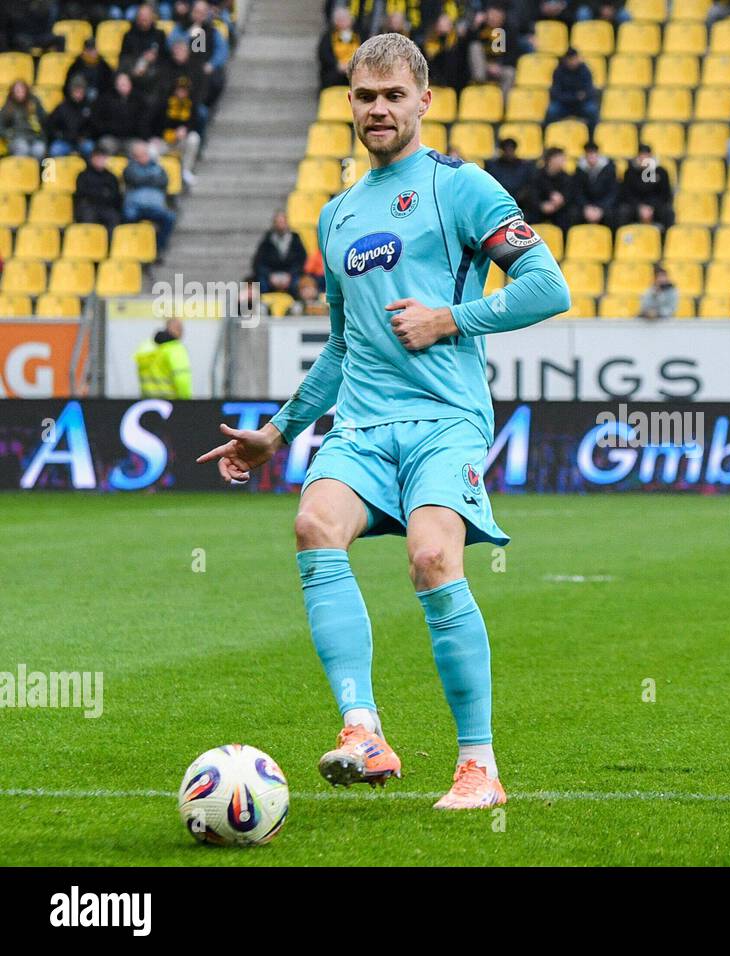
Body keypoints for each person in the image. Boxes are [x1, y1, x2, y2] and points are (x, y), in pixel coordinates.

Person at [197, 33, 570, 811]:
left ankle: (479, 767)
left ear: (424, 101)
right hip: (363, 426)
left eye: (394, 96)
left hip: (443, 418)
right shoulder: (336, 216)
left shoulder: (461, 187)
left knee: (432, 559)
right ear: (350, 104)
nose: (379, 109)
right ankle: (363, 730)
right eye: (366, 97)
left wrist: (449, 320)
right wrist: (278, 429)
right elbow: (341, 344)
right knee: (311, 525)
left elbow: (547, 285)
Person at [123, 140, 177, 253]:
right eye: (138, 155)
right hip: (135, 206)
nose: (142, 157)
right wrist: (151, 178)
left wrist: (144, 179)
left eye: (144, 154)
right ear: (134, 156)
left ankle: (158, 248)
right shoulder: (129, 168)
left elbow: (163, 182)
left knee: (170, 218)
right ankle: (132, 249)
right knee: (127, 218)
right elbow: (134, 179)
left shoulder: (159, 168)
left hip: (154, 207)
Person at [615, 143, 674, 230]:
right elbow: (626, 194)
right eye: (641, 156)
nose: (644, 159)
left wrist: (651, 207)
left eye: (646, 156)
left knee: (668, 213)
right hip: (635, 207)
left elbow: (665, 195)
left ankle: (666, 241)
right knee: (622, 212)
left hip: (656, 206)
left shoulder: (661, 172)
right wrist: (640, 208)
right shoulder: (630, 172)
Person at [253, 210, 308, 297]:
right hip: (271, 275)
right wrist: (270, 276)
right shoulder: (267, 240)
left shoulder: (295, 239)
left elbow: (301, 261)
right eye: (278, 222)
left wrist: (290, 275)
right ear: (274, 223)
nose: (280, 225)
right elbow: (258, 262)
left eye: (282, 222)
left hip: (291, 275)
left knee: (299, 284)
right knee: (260, 284)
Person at [135, 317, 193, 398]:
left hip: (148, 401)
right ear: (177, 329)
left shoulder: (146, 347)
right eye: (180, 328)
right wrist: (187, 401)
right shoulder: (175, 349)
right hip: (171, 403)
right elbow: (182, 378)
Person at [522, 146, 576, 230]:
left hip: (559, 210)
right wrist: (542, 205)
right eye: (560, 158)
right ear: (551, 159)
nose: (563, 161)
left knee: (568, 218)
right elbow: (531, 195)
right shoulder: (536, 175)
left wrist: (560, 201)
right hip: (539, 209)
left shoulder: (566, 177)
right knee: (529, 216)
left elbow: (569, 195)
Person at [545, 47, 599, 130]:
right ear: (566, 60)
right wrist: (576, 97)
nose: (573, 62)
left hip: (581, 104)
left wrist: (576, 97)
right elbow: (556, 93)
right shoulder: (558, 71)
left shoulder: (585, 71)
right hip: (564, 104)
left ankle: (592, 137)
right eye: (570, 59)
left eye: (575, 59)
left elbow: (589, 91)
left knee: (591, 110)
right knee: (552, 111)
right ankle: (549, 134)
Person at [73, 146, 124, 233]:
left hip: (106, 206)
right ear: (92, 158)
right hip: (89, 206)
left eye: (103, 157)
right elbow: (81, 193)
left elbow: (115, 194)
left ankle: (110, 245)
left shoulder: (111, 176)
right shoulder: (83, 175)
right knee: (88, 216)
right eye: (98, 157)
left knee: (114, 217)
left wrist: (99, 193)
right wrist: (102, 193)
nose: (100, 160)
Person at [47, 77, 97, 158]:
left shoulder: (88, 108)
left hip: (82, 142)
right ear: (71, 92)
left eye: (81, 92)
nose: (78, 94)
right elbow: (50, 125)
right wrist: (60, 135)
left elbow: (93, 126)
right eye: (76, 91)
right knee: (55, 150)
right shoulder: (62, 107)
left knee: (91, 148)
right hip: (64, 141)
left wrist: (85, 136)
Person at [573, 140, 617, 226]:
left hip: (603, 204)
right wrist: (586, 207)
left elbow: (613, 192)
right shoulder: (579, 170)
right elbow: (577, 192)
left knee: (613, 215)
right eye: (588, 155)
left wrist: (601, 208)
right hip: (587, 205)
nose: (591, 157)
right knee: (573, 214)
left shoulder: (609, 168)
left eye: (593, 154)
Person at [0, 80, 48, 159]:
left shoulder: (34, 103)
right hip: (17, 138)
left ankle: (36, 170)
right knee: (23, 148)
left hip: (35, 137)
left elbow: (45, 120)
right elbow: (1, 126)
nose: (20, 93)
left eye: (22, 90)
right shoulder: (8, 107)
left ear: (27, 91)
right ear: (12, 92)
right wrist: (9, 134)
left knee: (39, 149)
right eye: (17, 91)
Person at [319, 5, 361, 90]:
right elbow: (323, 54)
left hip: (356, 69)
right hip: (335, 71)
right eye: (340, 20)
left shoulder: (361, 34)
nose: (343, 22)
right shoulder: (328, 36)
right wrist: (337, 64)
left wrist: (352, 65)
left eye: (345, 19)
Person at [485, 137, 535, 201]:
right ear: (502, 150)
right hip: (498, 200)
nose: (509, 152)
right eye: (506, 149)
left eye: (511, 149)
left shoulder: (524, 167)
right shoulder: (492, 166)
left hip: (521, 202)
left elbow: (528, 186)